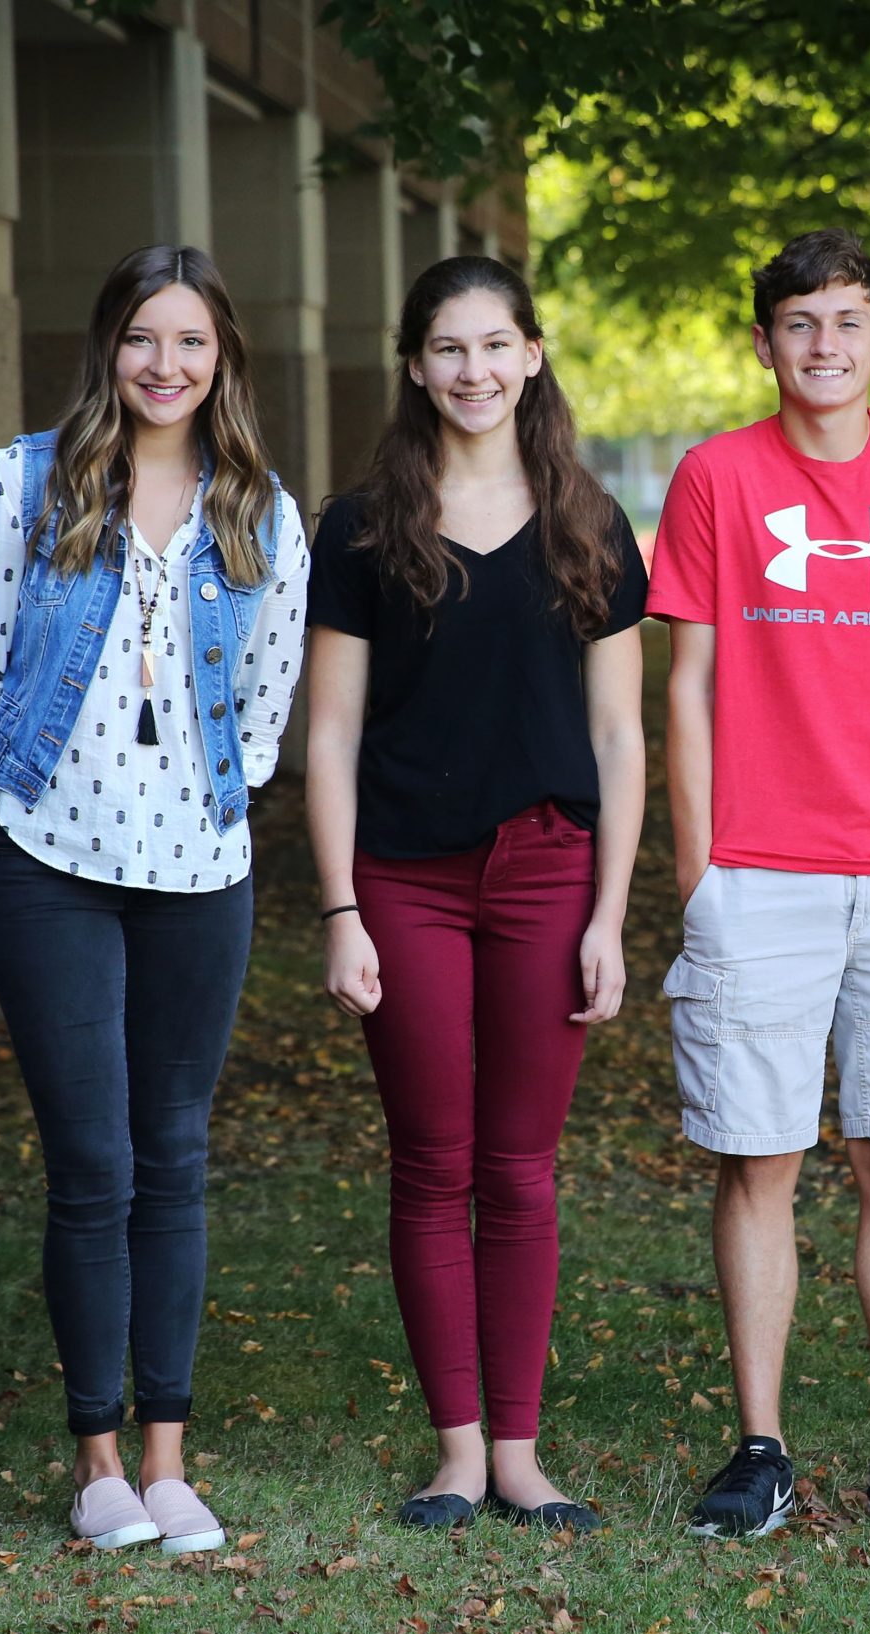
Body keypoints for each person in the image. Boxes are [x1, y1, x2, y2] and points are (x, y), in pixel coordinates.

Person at [651, 227, 870, 1537]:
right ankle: (759, 1446)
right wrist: (701, 875)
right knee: (760, 1159)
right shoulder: (716, 478)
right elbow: (685, 687)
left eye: (848, 321)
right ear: (766, 341)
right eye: (800, 323)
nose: (825, 345)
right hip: (760, 872)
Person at [0, 244, 307, 1555]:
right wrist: (37, 793)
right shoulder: (24, 485)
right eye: (144, 340)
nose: (167, 366)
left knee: (176, 1162)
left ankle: (168, 1459)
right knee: (90, 1166)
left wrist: (214, 789)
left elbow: (268, 695)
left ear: (223, 361)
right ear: (110, 348)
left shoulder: (260, 511)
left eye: (192, 344)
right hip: (49, 871)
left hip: (200, 877)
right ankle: (96, 1461)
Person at [305, 256, 645, 1533]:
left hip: (548, 870)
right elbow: (329, 733)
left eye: (496, 345)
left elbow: (619, 739)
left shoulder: (588, 523)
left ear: (534, 355)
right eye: (448, 348)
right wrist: (340, 907)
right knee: (431, 1160)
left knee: (521, 1167)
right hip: (404, 878)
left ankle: (519, 1450)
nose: (474, 371)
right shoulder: (360, 527)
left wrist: (611, 914)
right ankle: (455, 1449)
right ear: (413, 365)